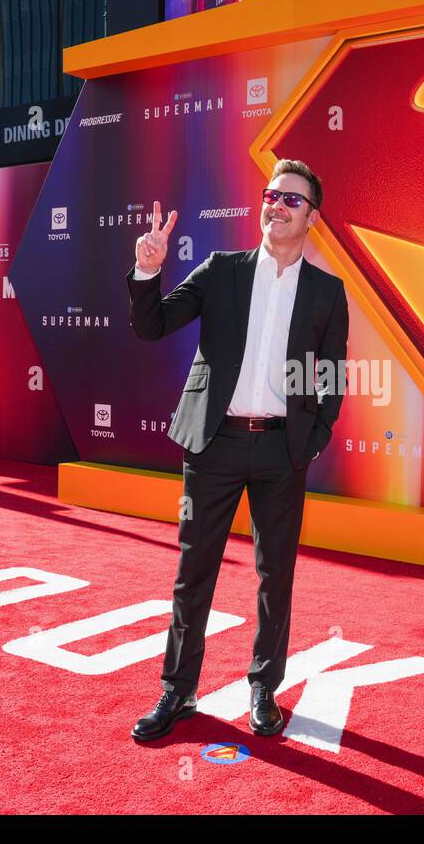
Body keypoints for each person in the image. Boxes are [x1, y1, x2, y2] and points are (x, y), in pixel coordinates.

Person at [127, 159, 348, 740]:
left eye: (291, 200)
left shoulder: (327, 293)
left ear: (312, 218)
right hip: (214, 443)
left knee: (275, 576)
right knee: (193, 572)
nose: (276, 205)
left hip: (282, 452)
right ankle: (178, 690)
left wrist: (314, 434)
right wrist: (146, 271)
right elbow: (153, 326)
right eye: (271, 194)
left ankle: (263, 689)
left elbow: (332, 372)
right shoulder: (222, 271)